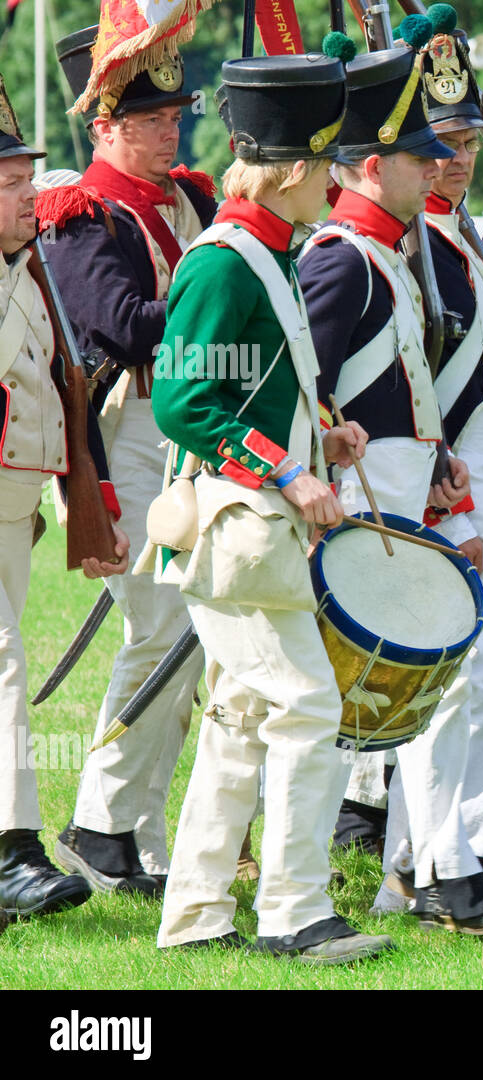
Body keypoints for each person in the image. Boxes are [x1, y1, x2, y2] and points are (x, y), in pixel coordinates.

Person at [297, 18, 483, 936]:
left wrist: (441, 472)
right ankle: (426, 873)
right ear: (367, 165)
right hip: (360, 506)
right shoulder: (343, 260)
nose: (435, 167)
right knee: (403, 694)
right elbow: (299, 393)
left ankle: (425, 870)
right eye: (414, 155)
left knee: (446, 684)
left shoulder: (392, 256)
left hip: (406, 495)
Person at [151, 47, 391, 963]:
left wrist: (313, 443)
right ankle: (293, 910)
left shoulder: (269, 251)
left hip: (248, 516)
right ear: (295, 168)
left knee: (244, 722)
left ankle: (197, 916)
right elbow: (183, 401)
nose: (335, 183)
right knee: (306, 708)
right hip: (234, 522)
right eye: (329, 166)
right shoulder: (227, 262)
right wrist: (286, 473)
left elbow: (241, 392)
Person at [40, 26, 216, 896]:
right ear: (102, 124)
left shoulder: (192, 200)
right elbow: (114, 323)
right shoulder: (81, 213)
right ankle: (101, 826)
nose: (166, 130)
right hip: (125, 433)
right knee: (166, 628)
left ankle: (136, 836)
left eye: (174, 113)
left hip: (193, 433)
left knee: (185, 640)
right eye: (145, 117)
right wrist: (217, 312)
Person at [0, 75, 129, 920]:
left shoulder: (27, 270)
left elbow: (63, 387)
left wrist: (89, 502)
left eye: (22, 179)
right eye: (10, 184)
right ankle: (13, 853)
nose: (27, 195)